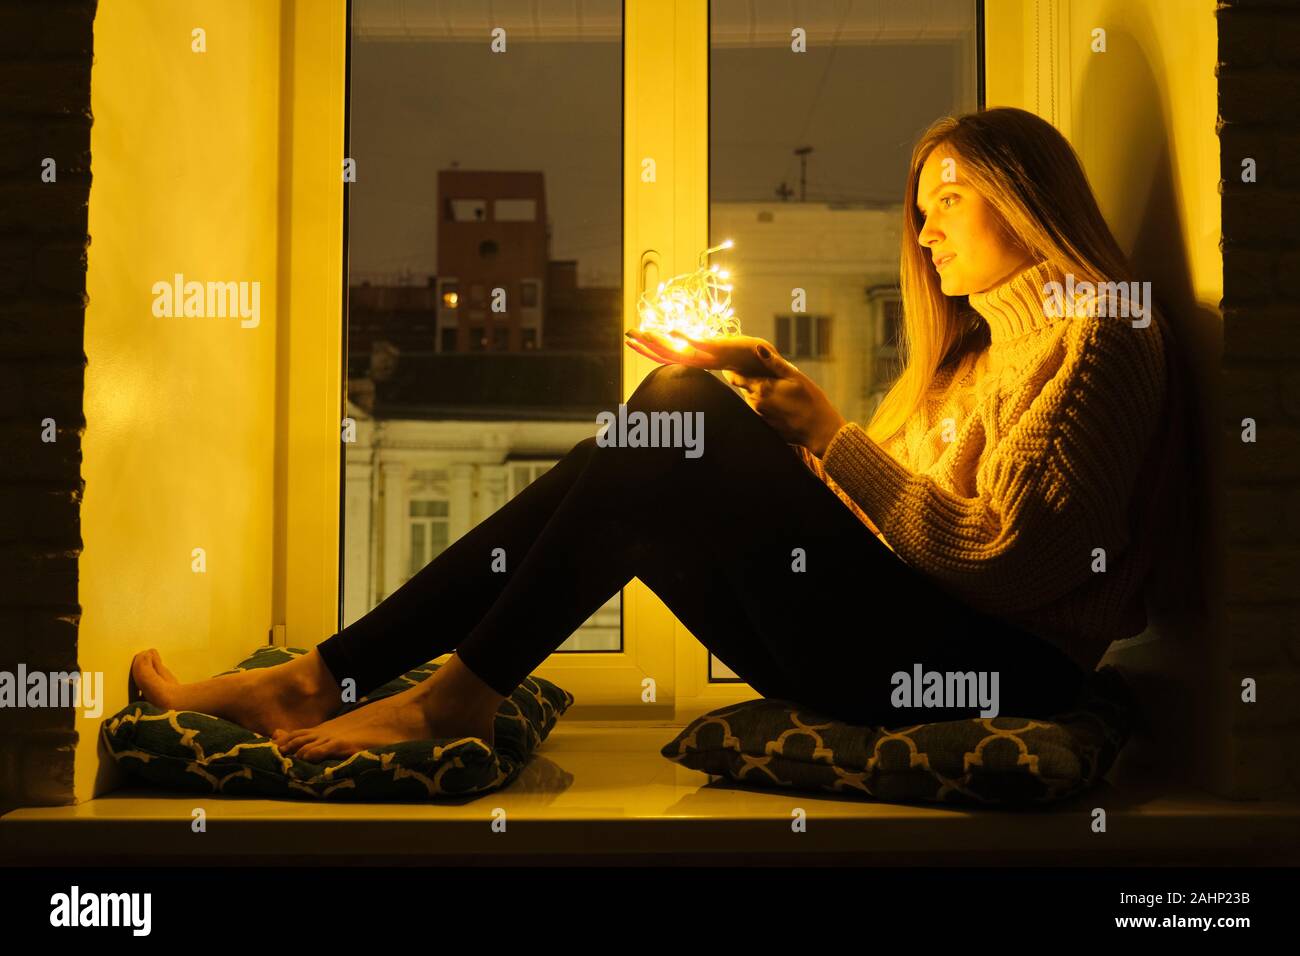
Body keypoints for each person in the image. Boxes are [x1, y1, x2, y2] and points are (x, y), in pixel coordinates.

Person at [130, 106, 1190, 762]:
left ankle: (444, 692)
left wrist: (825, 432)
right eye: (919, 209)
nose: (925, 230)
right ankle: (329, 674)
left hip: (998, 667)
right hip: (899, 640)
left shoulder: (1097, 329)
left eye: (951, 198)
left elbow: (1006, 562)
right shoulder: (957, 357)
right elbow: (882, 533)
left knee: (675, 416)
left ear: (1027, 196)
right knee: (644, 443)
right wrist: (791, 436)